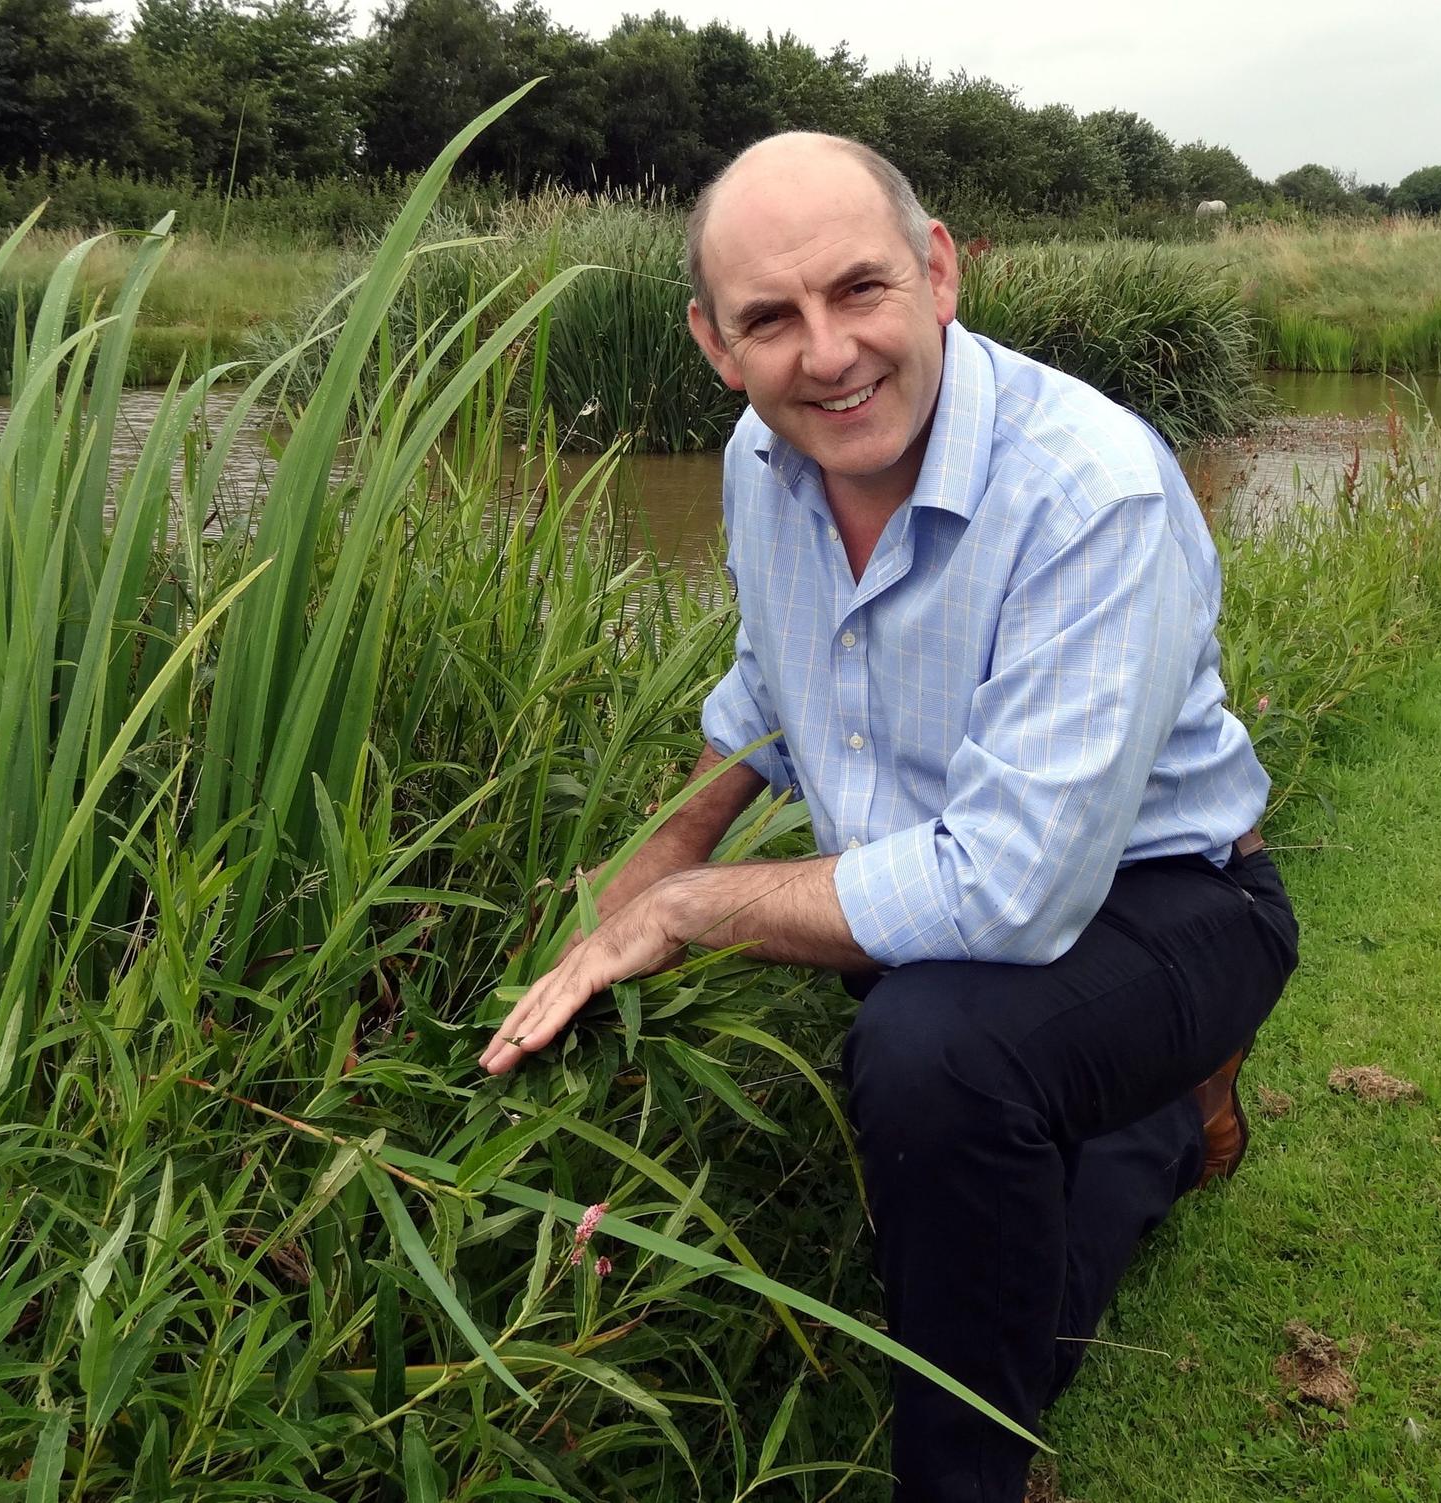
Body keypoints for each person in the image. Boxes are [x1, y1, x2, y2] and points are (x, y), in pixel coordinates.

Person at [477, 133, 1299, 1503]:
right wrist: (658, 852)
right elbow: (770, 689)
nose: (827, 352)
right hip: (952, 885)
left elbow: (1012, 892)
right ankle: (1159, 1123)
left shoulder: (1090, 489)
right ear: (712, 345)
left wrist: (690, 911)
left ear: (937, 272)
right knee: (938, 1075)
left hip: (1180, 899)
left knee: (932, 1059)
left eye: (859, 290)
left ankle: (968, 1476)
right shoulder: (759, 458)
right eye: (769, 320)